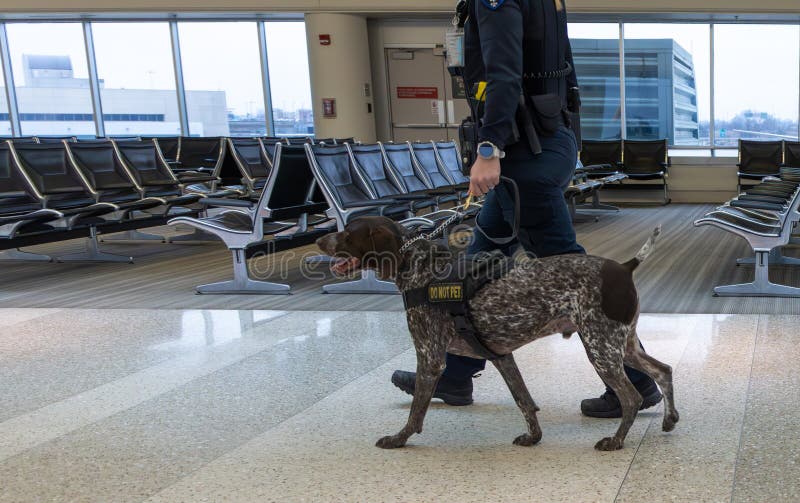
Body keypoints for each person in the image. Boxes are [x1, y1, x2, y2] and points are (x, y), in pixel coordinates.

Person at [391, 0, 662, 418]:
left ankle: (640, 382)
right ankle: (457, 371)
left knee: (577, 277)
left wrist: (489, 147)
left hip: (523, 152)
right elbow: (563, 68)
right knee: (480, 262)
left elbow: (503, 73)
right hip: (548, 139)